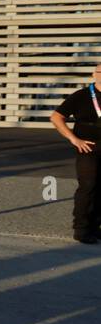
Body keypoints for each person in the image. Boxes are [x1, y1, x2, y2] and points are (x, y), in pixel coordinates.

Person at [49, 62, 101, 243]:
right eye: (100, 71)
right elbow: (56, 117)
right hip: (87, 147)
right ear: (94, 74)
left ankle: (96, 226)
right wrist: (74, 139)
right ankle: (81, 229)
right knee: (88, 186)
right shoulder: (82, 96)